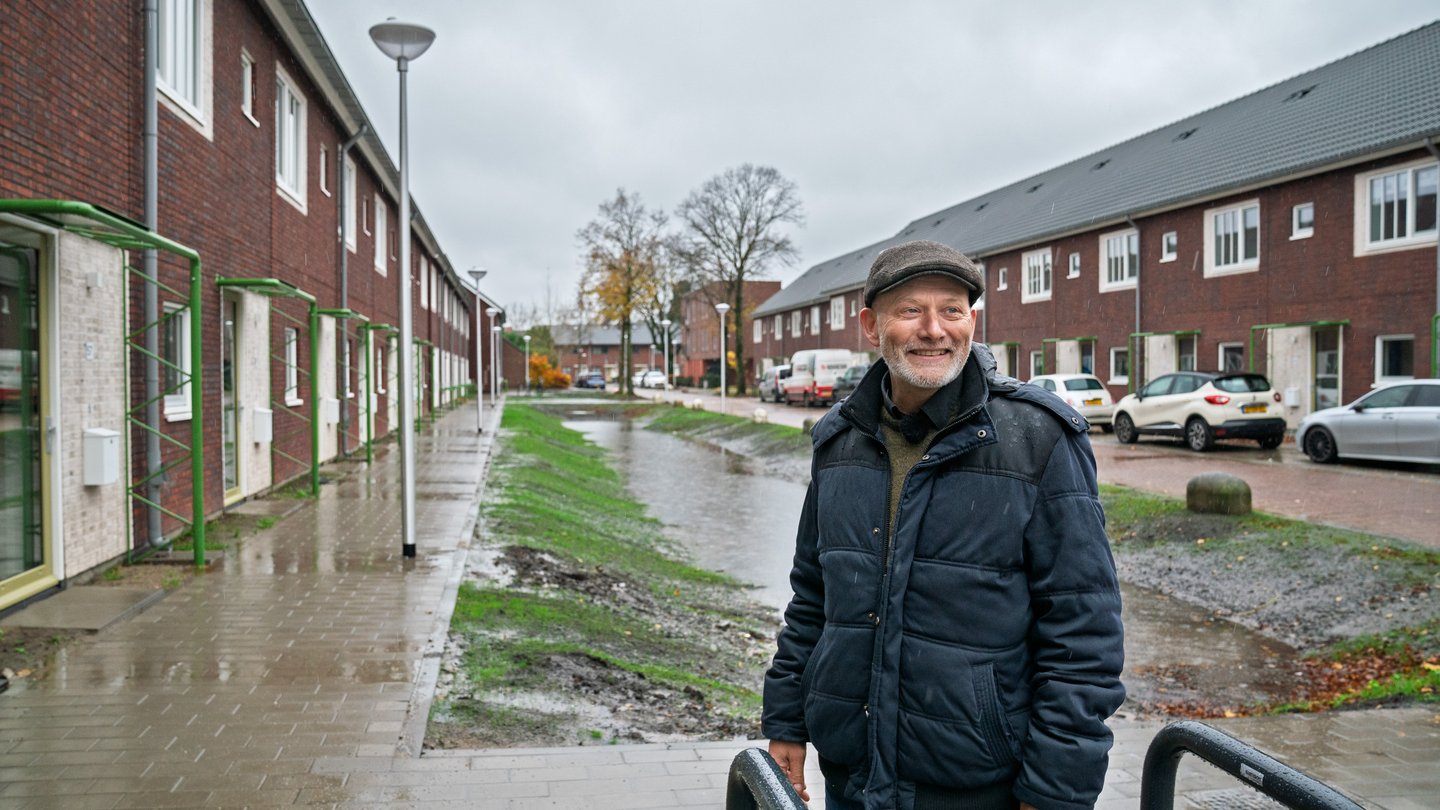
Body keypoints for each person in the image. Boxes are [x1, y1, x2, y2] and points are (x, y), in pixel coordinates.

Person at [762, 240, 1125, 810]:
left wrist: (1055, 789)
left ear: (972, 322)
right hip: (853, 776)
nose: (934, 329)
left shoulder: (1039, 440)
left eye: (952, 310)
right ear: (870, 326)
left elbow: (1083, 633)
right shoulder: (838, 441)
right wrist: (786, 718)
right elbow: (813, 599)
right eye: (911, 311)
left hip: (977, 785)